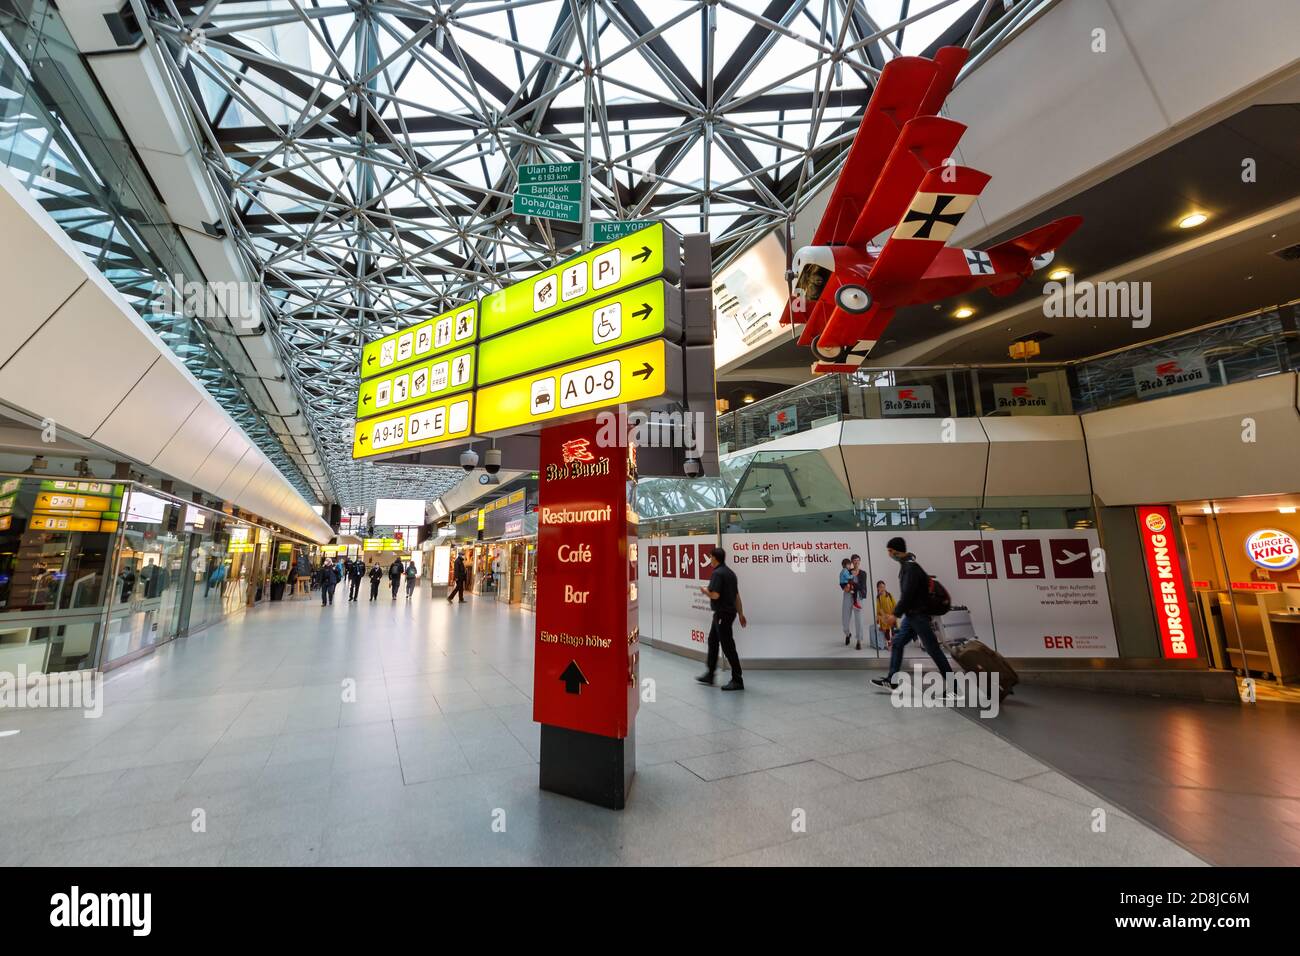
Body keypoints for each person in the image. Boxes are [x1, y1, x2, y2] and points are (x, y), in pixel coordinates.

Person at [871, 537, 952, 690]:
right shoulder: (907, 565)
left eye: (890, 551)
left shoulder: (910, 568)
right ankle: (892, 680)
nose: (889, 554)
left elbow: (908, 595)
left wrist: (894, 615)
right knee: (897, 643)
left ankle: (954, 687)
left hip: (918, 615)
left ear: (896, 551)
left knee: (933, 650)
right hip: (911, 616)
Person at [695, 546, 747, 691]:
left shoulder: (717, 574)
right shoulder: (731, 573)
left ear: (715, 558)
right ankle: (710, 674)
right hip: (726, 614)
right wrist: (741, 614)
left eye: (710, 557)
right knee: (713, 641)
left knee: (728, 646)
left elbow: (715, 595)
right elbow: (737, 596)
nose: (709, 560)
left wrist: (704, 590)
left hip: (722, 614)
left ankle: (737, 679)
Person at [841, 554, 867, 650]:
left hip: (858, 597)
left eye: (858, 560)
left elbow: (864, 586)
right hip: (848, 595)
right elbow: (842, 582)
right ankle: (847, 634)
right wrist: (845, 588)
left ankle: (859, 641)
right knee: (845, 618)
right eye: (854, 560)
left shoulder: (863, 573)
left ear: (859, 561)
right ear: (851, 562)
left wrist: (860, 593)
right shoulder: (846, 571)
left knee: (859, 619)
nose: (856, 562)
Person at [875, 580, 896, 650]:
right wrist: (878, 617)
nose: (882, 588)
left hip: (892, 615)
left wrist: (895, 614)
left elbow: (894, 604)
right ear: (878, 588)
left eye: (883, 587)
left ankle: (894, 643)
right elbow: (878, 608)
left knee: (893, 629)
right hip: (884, 617)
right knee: (886, 631)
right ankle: (889, 643)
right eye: (880, 587)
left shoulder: (889, 595)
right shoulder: (878, 598)